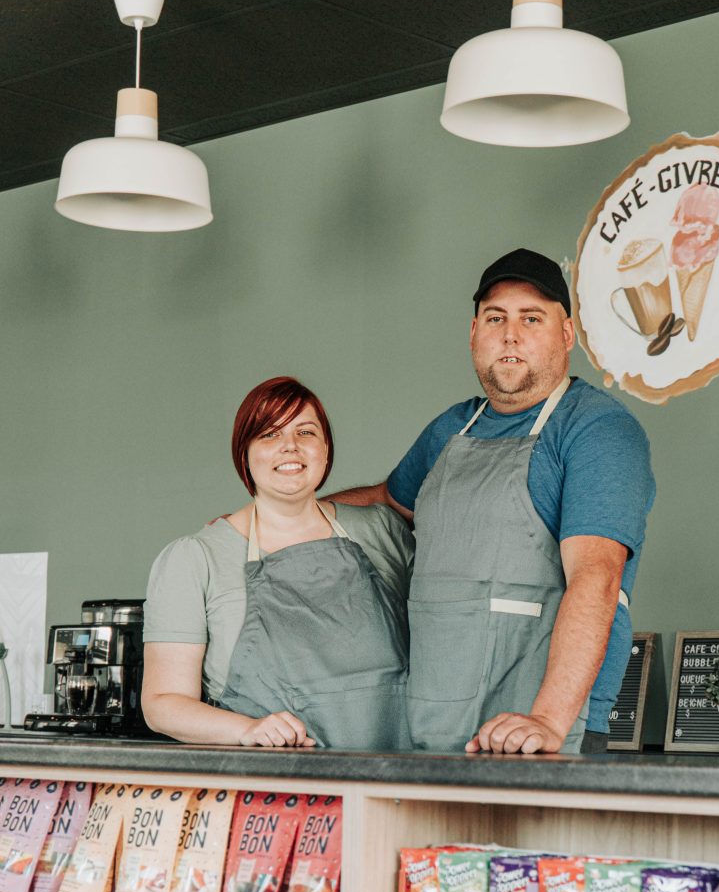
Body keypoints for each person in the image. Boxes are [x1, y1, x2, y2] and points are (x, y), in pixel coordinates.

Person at [331, 248, 655, 755]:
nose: (511, 334)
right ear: (474, 333)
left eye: (532, 318)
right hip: (433, 723)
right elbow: (384, 504)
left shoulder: (596, 430)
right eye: (495, 318)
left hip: (538, 734)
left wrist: (546, 721)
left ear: (566, 334)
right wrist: (271, 515)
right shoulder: (452, 428)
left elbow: (598, 576)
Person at [142, 376, 413, 749]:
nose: (290, 447)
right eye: (269, 435)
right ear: (245, 454)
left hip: (390, 784)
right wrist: (245, 730)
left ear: (326, 449)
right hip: (273, 789)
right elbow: (162, 704)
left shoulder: (382, 531)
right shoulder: (195, 559)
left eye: (305, 432)